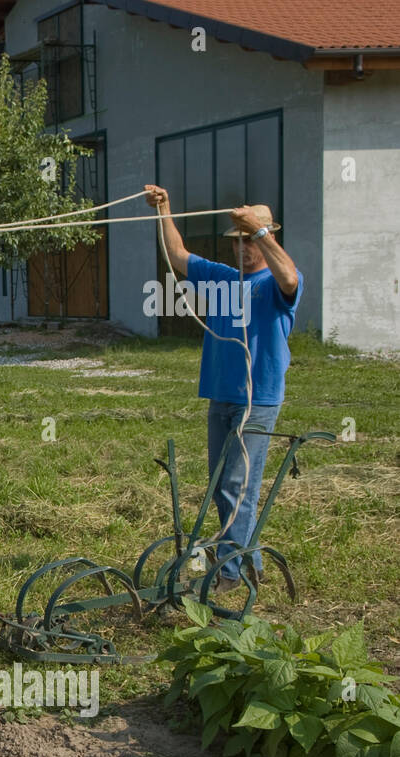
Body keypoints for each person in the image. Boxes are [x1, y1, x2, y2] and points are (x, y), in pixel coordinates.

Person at [144, 184, 303, 593]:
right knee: (222, 484)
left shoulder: (277, 284)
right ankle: (250, 562)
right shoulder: (221, 278)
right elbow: (178, 255)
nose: (244, 249)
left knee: (238, 485)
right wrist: (166, 207)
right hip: (220, 394)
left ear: (268, 239)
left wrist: (261, 233)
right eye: (240, 241)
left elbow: (290, 276)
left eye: (251, 240)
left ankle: (229, 575)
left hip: (258, 398)